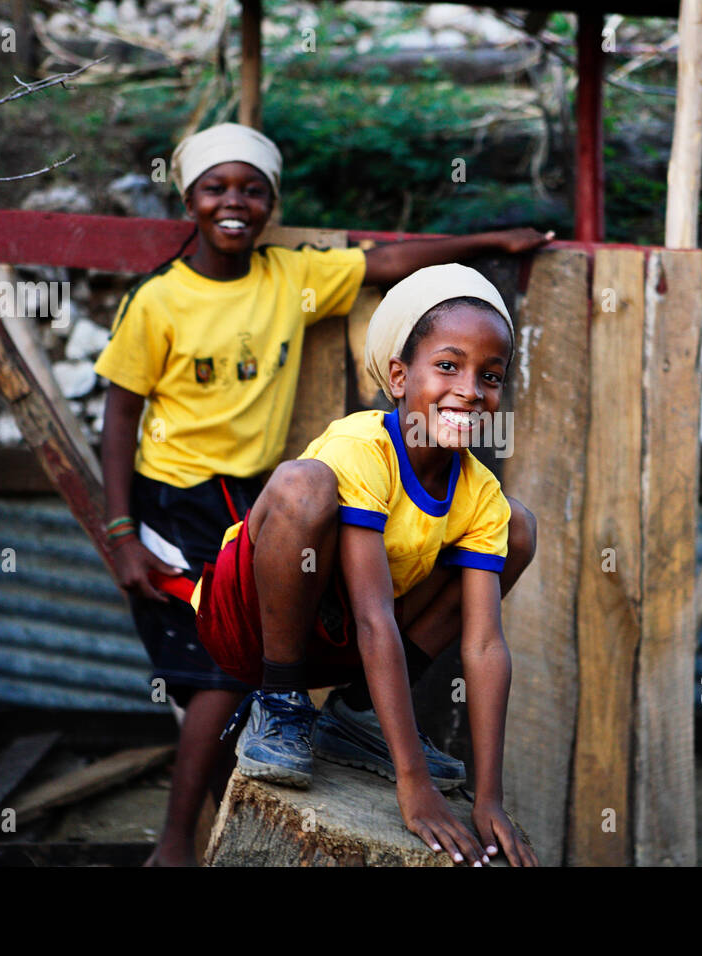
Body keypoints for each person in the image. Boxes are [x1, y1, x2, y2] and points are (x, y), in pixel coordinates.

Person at [96, 122, 550, 866]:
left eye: (252, 188)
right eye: (216, 187)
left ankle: (352, 718)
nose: (234, 201)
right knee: (216, 679)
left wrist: (491, 246)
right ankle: (186, 832)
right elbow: (119, 411)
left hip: (249, 500)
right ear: (187, 198)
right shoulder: (162, 301)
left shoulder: (287, 278)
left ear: (274, 201)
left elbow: (386, 263)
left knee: (510, 528)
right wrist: (119, 528)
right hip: (181, 499)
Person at [193, 264, 539, 866]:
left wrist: (489, 797)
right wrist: (414, 784)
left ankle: (355, 713)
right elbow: (376, 617)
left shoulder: (477, 493)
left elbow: (484, 647)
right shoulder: (362, 449)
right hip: (253, 622)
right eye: (448, 366)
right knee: (304, 485)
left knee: (520, 528)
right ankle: (280, 704)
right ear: (401, 377)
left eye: (490, 376)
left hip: (342, 639)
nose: (470, 390)